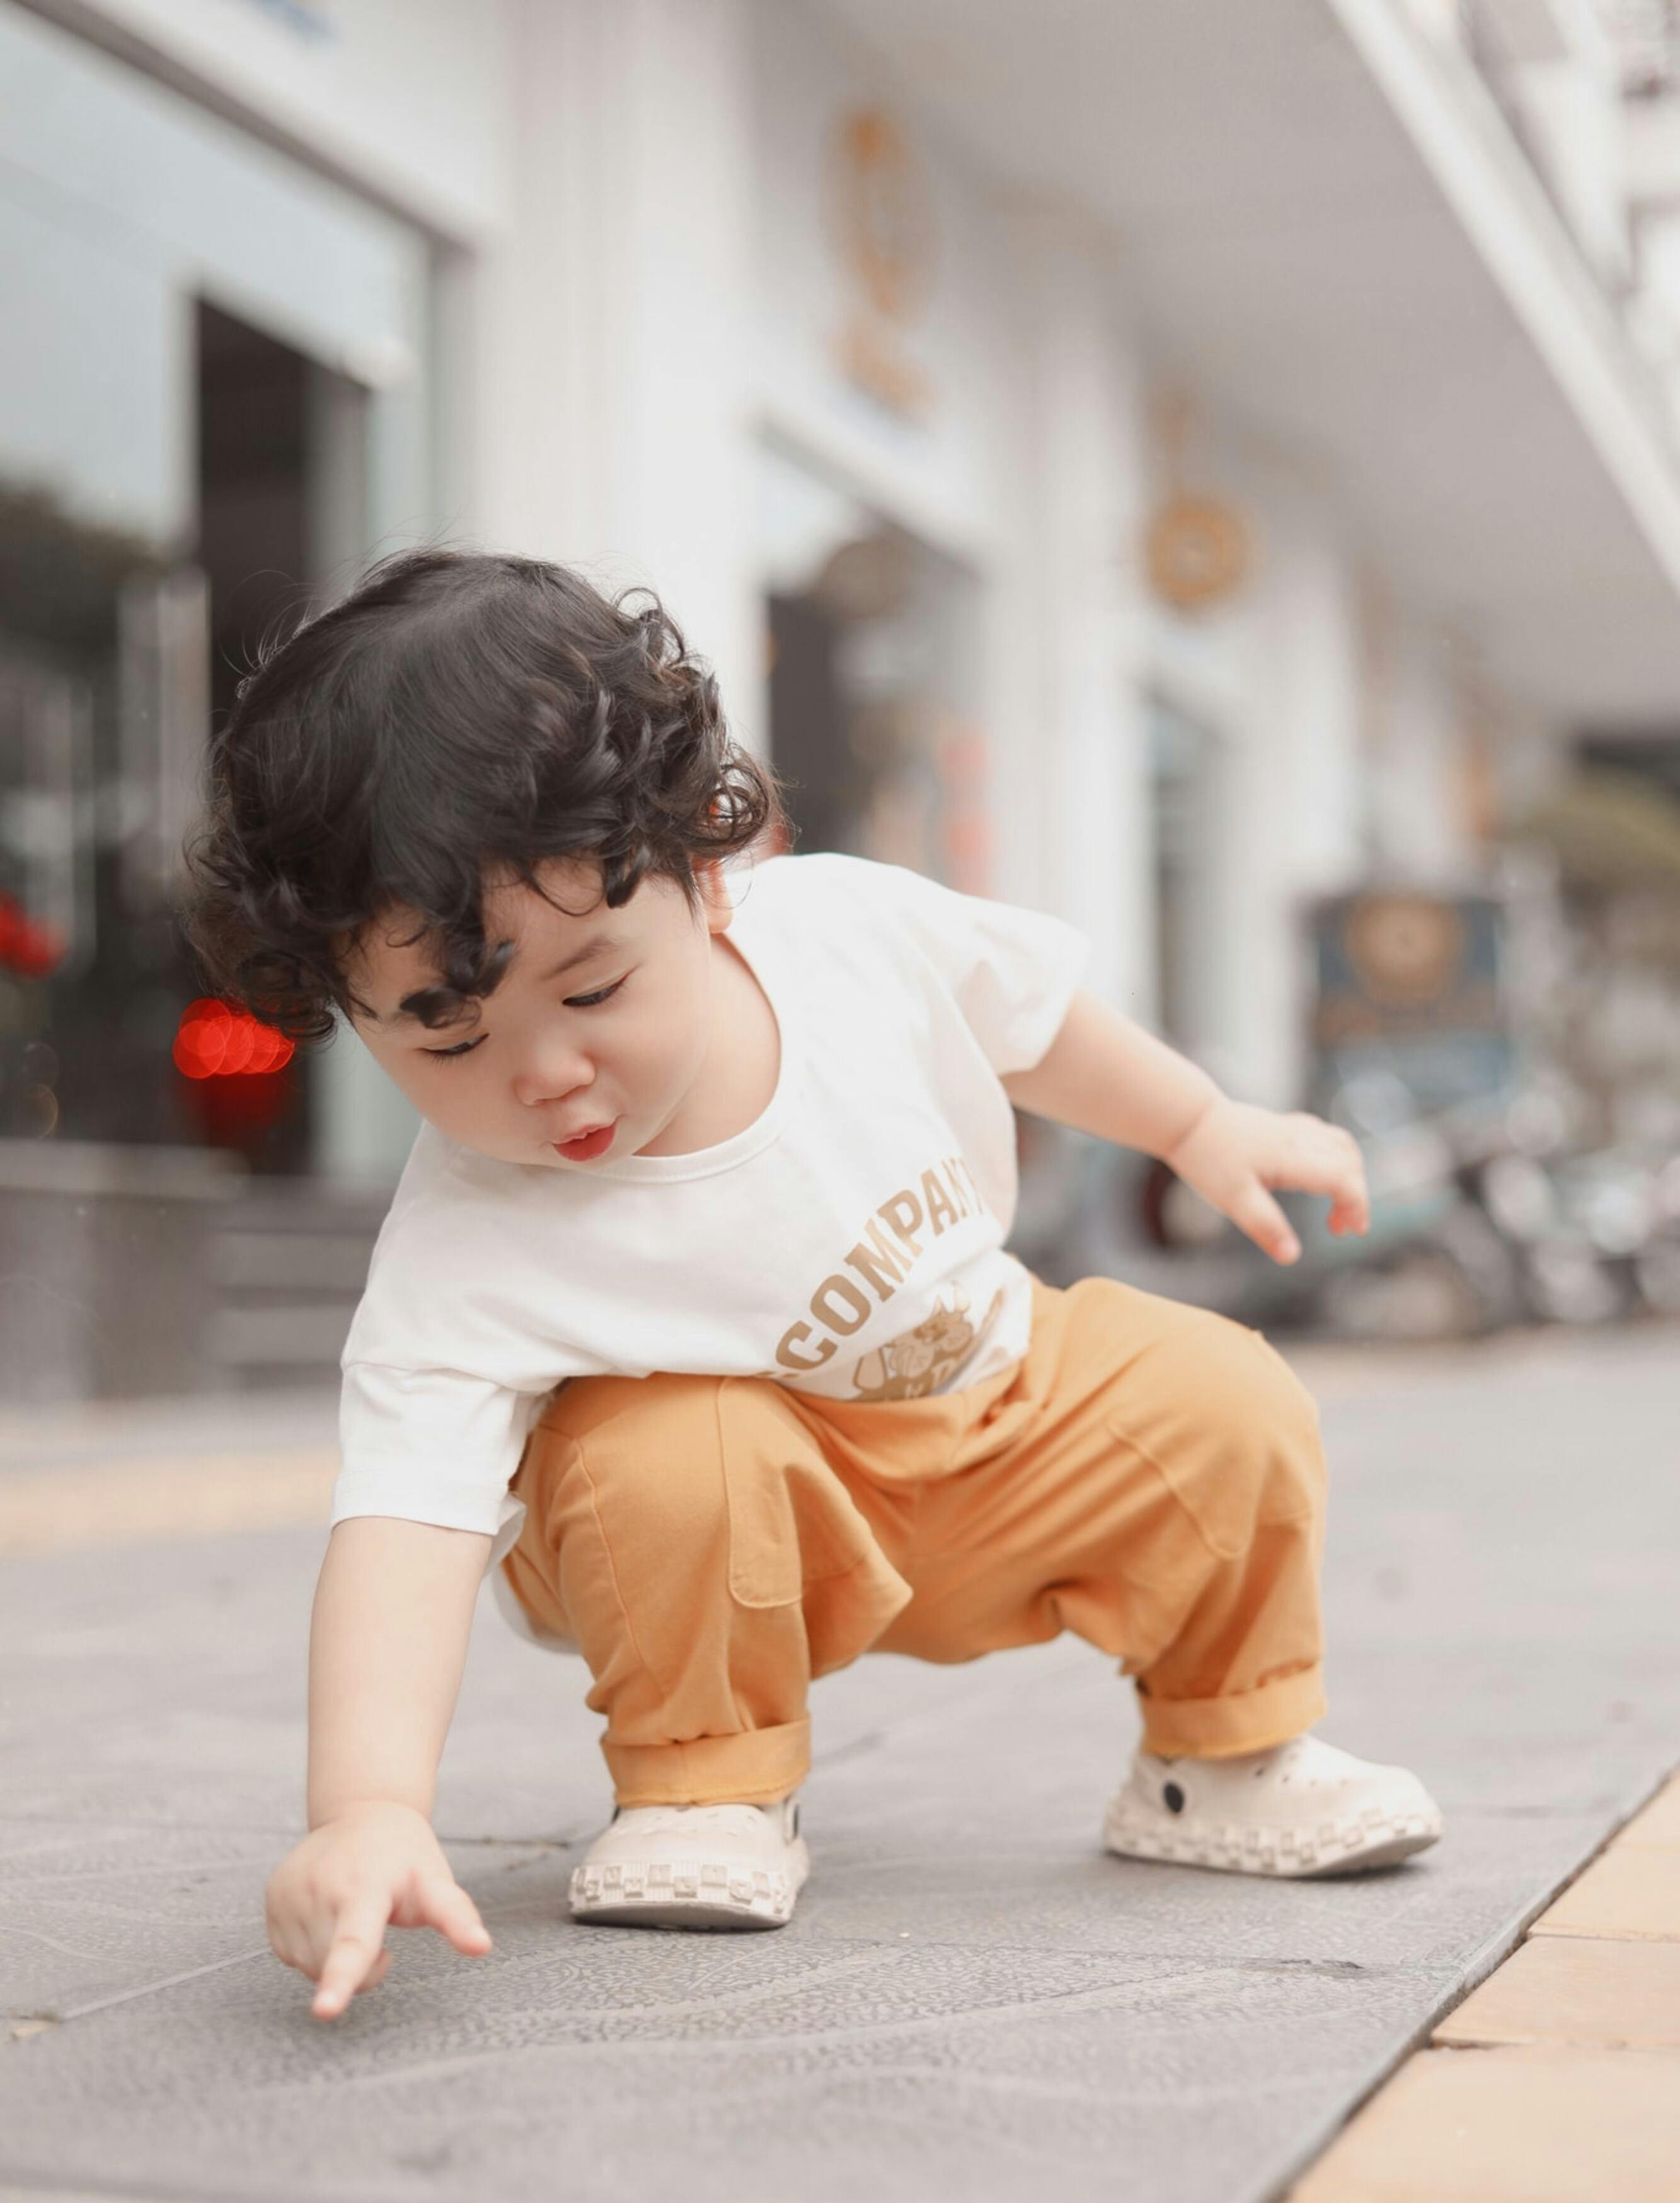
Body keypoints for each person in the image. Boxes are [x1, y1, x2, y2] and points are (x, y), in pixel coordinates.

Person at [183, 547, 1443, 2023]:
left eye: (592, 988)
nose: (545, 1073)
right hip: (715, 1536)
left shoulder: (845, 934)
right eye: (445, 1040)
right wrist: (365, 1805)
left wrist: (1198, 1123)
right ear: (351, 1007)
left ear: (707, 876)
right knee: (665, 1447)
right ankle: (705, 1787)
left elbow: (1032, 1016)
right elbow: (405, 1524)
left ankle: (1217, 1761)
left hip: (991, 1412)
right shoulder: (468, 1242)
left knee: (1223, 1396)